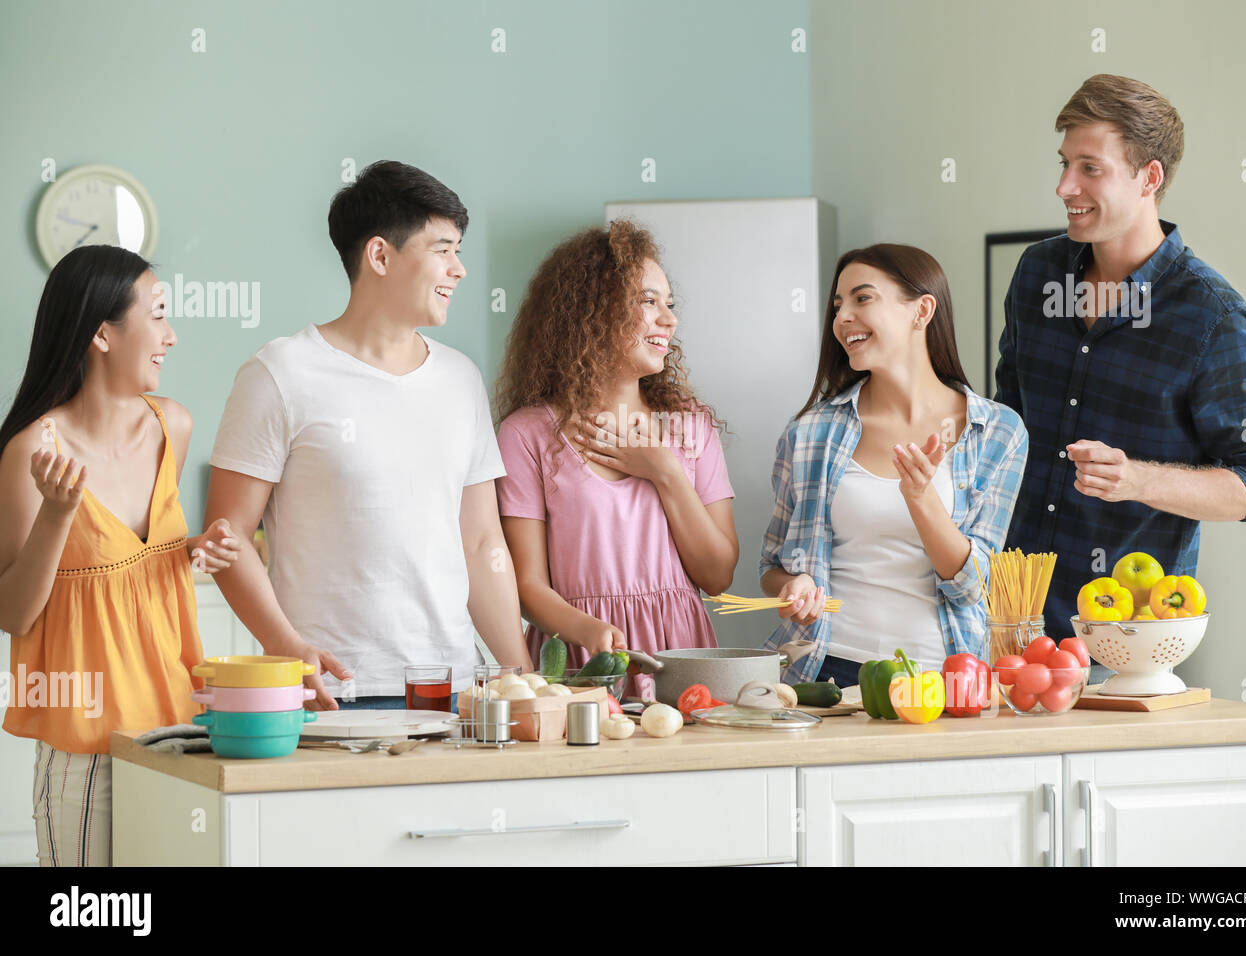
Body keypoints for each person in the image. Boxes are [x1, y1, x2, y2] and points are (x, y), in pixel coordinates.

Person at [205, 161, 531, 711]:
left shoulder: (461, 379)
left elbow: (481, 544)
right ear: (380, 255)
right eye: (443, 250)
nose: (459, 270)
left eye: (458, 251)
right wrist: (286, 647)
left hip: (454, 692)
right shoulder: (280, 373)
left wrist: (521, 678)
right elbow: (227, 535)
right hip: (330, 693)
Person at [995, 74, 1246, 643]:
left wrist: (1136, 479)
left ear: (1149, 178)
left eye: (1089, 168)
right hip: (1003, 617)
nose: (1064, 186)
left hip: (1124, 640)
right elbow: (1006, 425)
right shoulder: (1036, 273)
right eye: (1065, 164)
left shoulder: (1214, 317)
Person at [0, 245, 240, 866]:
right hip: (85, 746)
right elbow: (14, 614)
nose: (171, 335)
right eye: (157, 315)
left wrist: (195, 550)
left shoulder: (172, 426)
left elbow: (130, 563)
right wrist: (57, 513)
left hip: (179, 730)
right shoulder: (32, 451)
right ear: (102, 334)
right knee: (95, 909)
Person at [759, 244, 1028, 686]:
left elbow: (971, 587)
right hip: (823, 673)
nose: (842, 317)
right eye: (838, 305)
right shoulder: (809, 433)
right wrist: (793, 586)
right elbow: (770, 566)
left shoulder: (997, 432)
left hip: (943, 679)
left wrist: (921, 499)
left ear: (922, 310)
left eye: (862, 298)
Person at [494, 220, 738, 700]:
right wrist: (587, 630)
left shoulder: (691, 427)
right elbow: (526, 585)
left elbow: (717, 576)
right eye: (648, 301)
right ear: (592, 309)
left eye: (669, 304)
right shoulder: (526, 434)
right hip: (581, 662)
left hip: (681, 659)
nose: (668, 319)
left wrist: (664, 470)